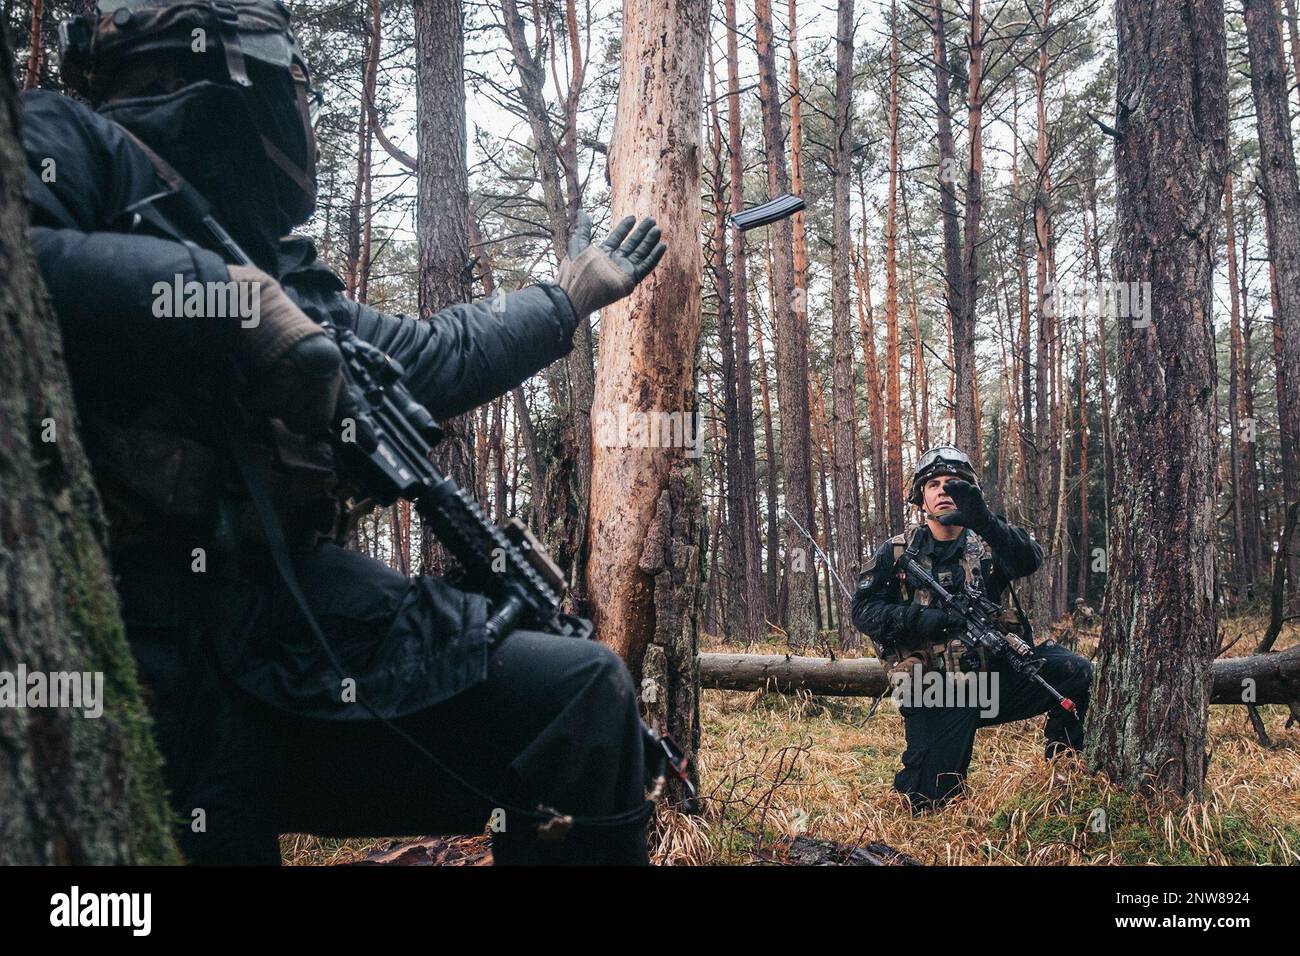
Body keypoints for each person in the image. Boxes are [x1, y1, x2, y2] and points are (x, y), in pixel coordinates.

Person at [23, 0, 667, 864]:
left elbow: (430, 355)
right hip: (129, 660)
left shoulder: (285, 266)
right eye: (296, 90)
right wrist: (221, 299)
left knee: (580, 696)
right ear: (232, 75)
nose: (307, 120)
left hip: (290, 640)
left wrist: (566, 299)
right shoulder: (67, 143)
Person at [851, 446, 1093, 812]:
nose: (944, 490)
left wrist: (985, 521)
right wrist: (918, 619)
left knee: (1076, 672)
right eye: (934, 484)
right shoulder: (897, 553)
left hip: (994, 677)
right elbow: (863, 611)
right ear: (922, 496)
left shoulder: (988, 545)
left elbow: (1029, 559)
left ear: (971, 493)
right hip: (934, 690)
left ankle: (1064, 776)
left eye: (954, 484)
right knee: (930, 803)